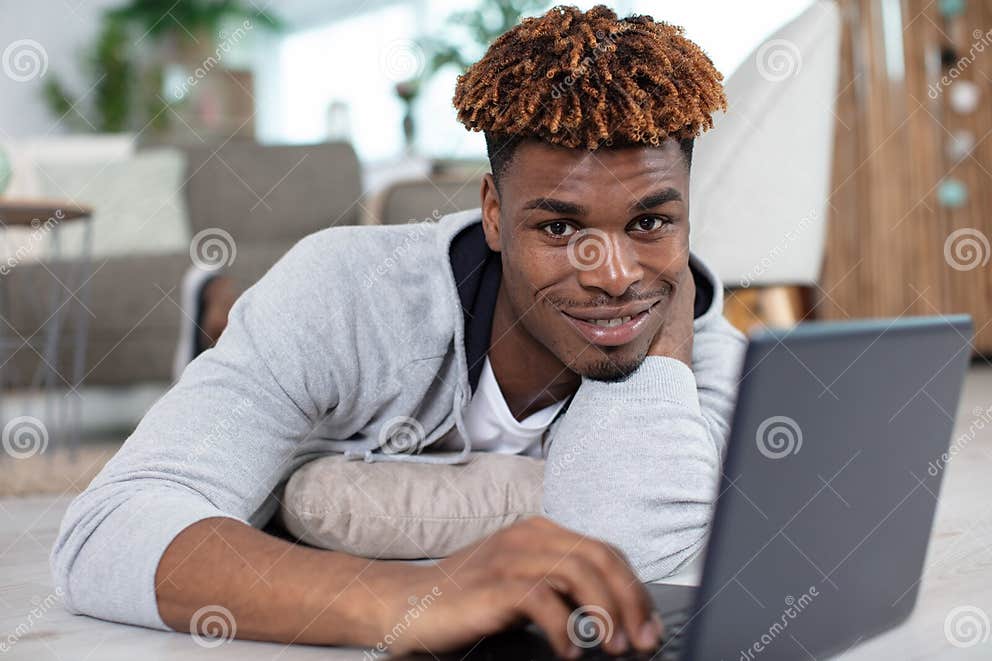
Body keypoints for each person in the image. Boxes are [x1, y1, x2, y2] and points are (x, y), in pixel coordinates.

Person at [52, 5, 744, 658]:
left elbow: (626, 550)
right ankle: (217, 313)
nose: (614, 274)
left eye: (651, 222)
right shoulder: (344, 291)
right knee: (245, 339)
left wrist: (657, 347)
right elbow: (102, 533)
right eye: (560, 227)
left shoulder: (697, 342)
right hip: (305, 337)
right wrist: (413, 598)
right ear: (495, 214)